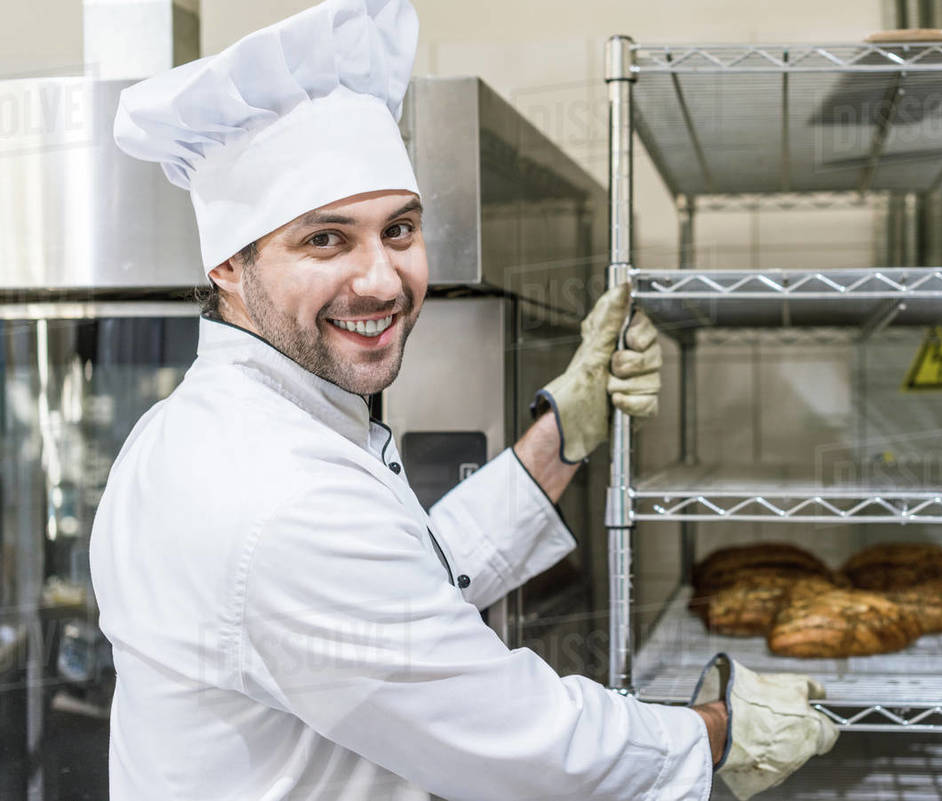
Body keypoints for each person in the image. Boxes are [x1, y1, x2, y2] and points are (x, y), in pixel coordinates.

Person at [90, 1, 836, 799]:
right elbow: (516, 740)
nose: (381, 279)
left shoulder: (202, 427)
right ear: (229, 269)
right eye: (325, 238)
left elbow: (407, 591)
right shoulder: (276, 494)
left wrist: (564, 433)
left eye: (400, 230)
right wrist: (714, 735)